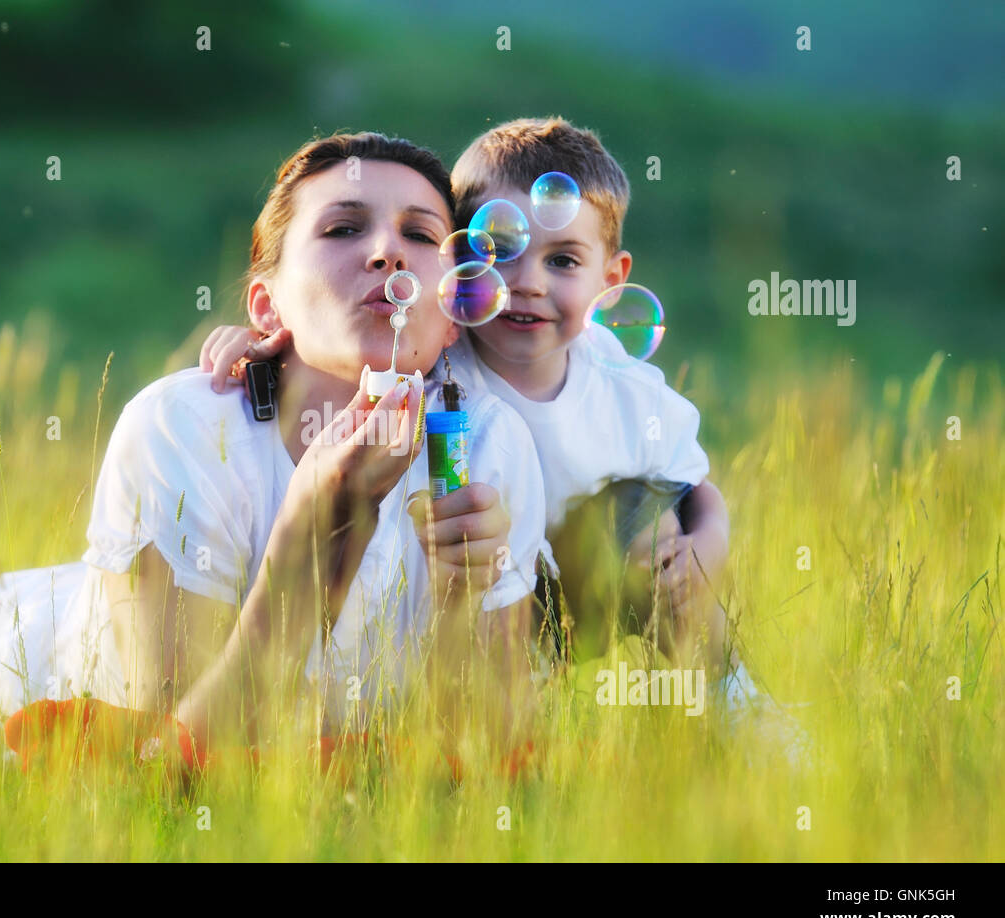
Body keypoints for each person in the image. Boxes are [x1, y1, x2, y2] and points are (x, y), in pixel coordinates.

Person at [0, 132, 549, 773]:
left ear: (454, 315)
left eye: (421, 236)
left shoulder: (482, 443)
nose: (388, 250)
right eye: (344, 229)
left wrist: (460, 601)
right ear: (267, 307)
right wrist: (320, 523)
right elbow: (178, 763)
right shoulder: (182, 426)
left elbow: (480, 760)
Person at [199, 117, 756, 700]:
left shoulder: (620, 382)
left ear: (610, 281)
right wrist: (263, 339)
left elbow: (694, 488)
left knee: (653, 526)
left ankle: (729, 703)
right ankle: (537, 716)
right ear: (457, 263)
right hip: (498, 594)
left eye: (563, 261)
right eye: (502, 255)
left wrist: (709, 545)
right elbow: (354, 341)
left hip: (595, 576)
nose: (528, 283)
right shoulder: (441, 352)